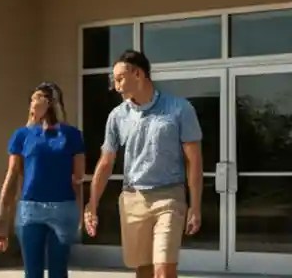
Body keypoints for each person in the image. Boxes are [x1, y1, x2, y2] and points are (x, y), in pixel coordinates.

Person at [84, 50, 203, 278]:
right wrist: (92, 203)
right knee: (144, 271)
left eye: (119, 78)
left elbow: (194, 160)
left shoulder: (179, 109)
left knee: (163, 270)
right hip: (133, 199)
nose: (115, 85)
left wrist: (195, 206)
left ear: (138, 74)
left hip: (169, 197)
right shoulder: (117, 116)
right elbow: (106, 162)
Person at [0, 82, 85, 278]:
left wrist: (81, 210)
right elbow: (11, 175)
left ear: (54, 102)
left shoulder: (72, 135)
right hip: (30, 209)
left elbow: (78, 177)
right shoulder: (22, 135)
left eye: (42, 98)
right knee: (32, 272)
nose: (36, 103)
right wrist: (1, 220)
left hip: (63, 208)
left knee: (58, 271)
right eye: (33, 99)